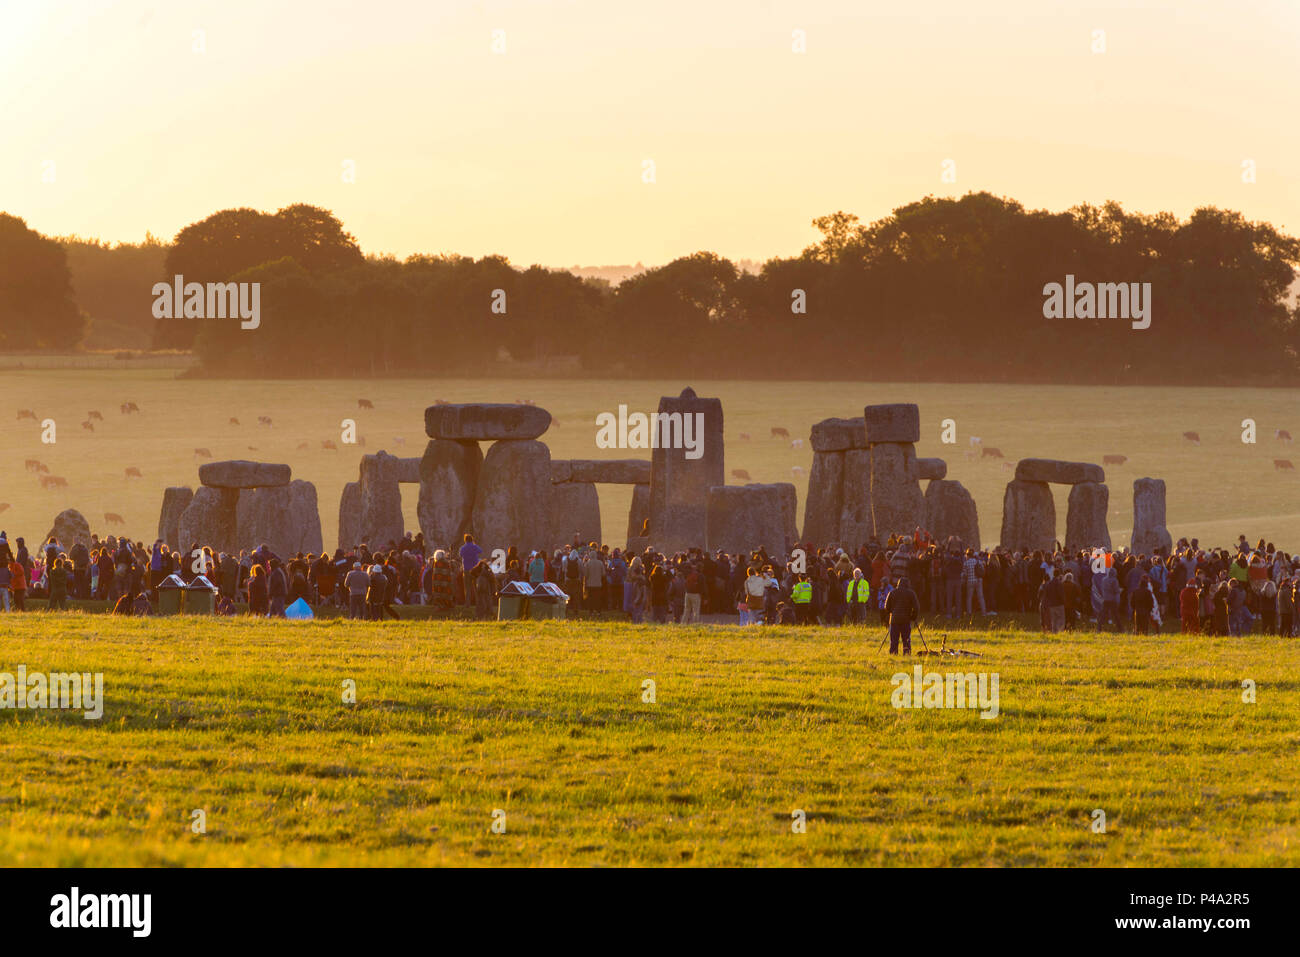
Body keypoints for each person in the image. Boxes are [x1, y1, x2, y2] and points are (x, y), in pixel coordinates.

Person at [884, 577, 919, 655]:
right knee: (906, 640)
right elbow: (916, 607)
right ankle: (906, 654)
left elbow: (886, 607)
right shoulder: (911, 593)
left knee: (894, 640)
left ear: (898, 584)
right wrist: (913, 617)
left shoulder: (892, 592)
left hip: (894, 620)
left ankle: (893, 655)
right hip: (906, 620)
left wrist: (892, 612)